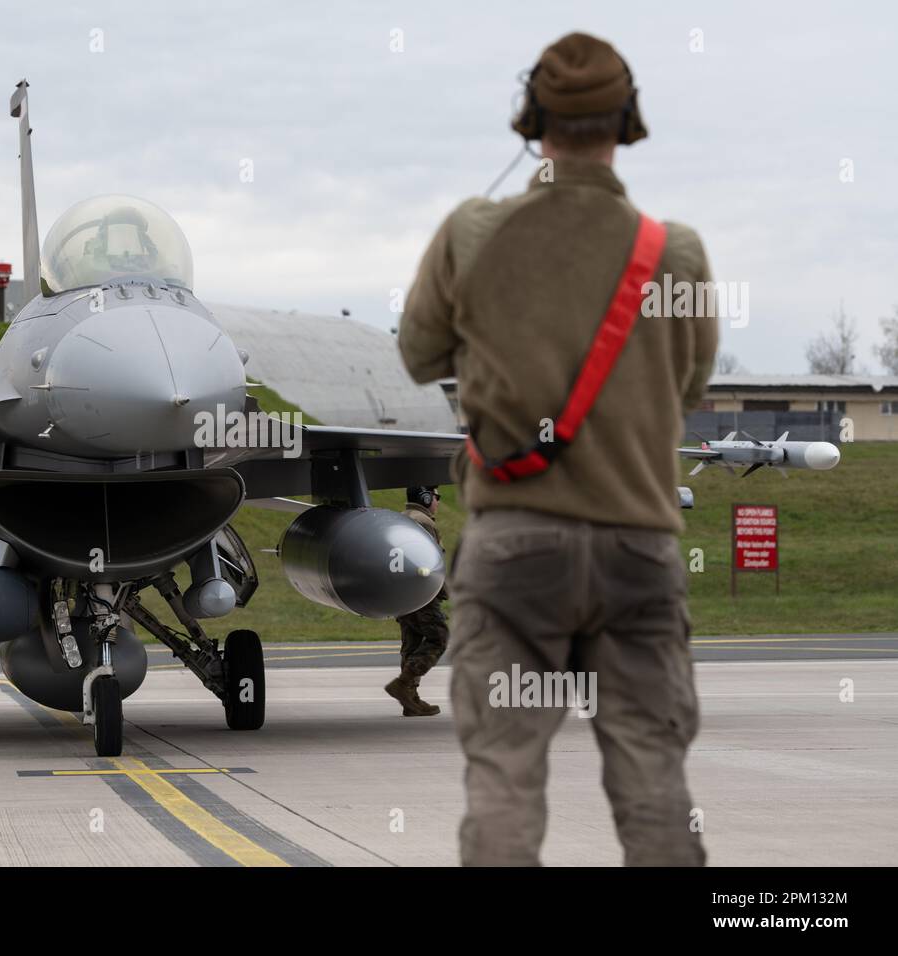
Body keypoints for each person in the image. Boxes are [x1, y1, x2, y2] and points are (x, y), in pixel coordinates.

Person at [398, 32, 718, 866]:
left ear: (531, 119)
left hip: (515, 550)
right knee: (653, 780)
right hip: (638, 550)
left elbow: (418, 354)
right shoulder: (674, 252)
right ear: (630, 120)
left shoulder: (471, 232)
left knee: (504, 777)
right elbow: (687, 390)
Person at [385, 485, 449, 717]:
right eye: (436, 496)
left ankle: (410, 701)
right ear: (426, 497)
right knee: (438, 638)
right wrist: (444, 589)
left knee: (412, 642)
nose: (438, 501)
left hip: (401, 592)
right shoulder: (424, 521)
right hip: (421, 591)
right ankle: (404, 684)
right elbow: (428, 561)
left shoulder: (402, 518)